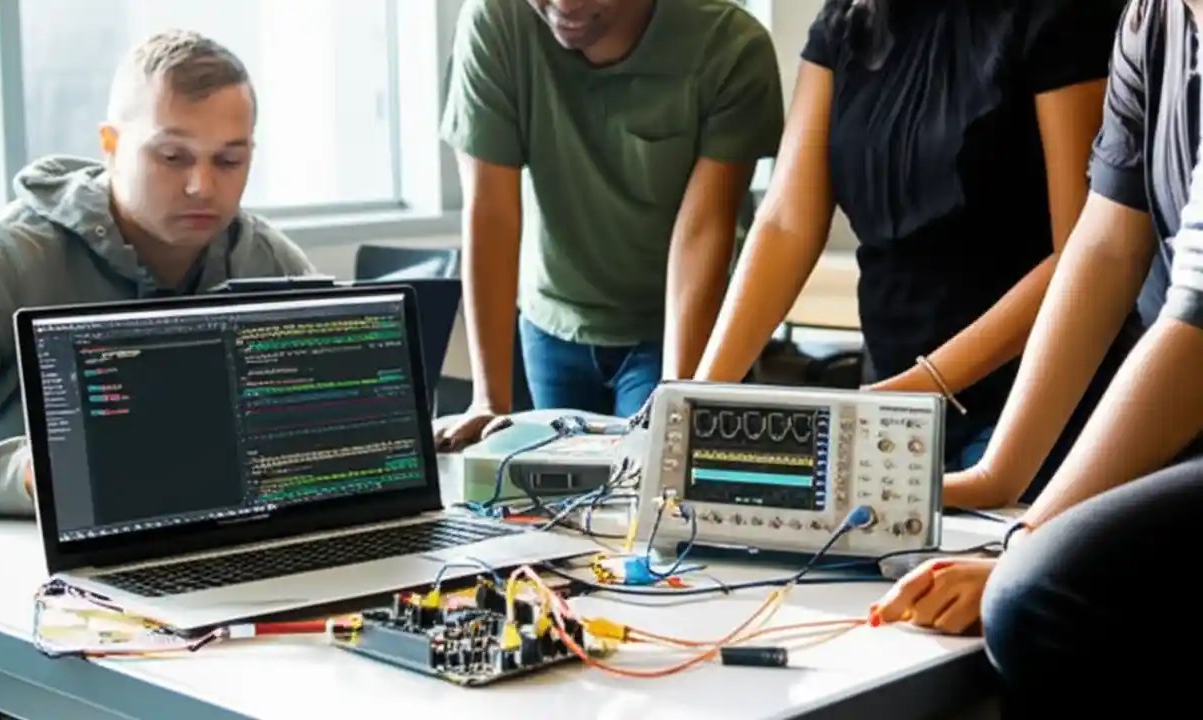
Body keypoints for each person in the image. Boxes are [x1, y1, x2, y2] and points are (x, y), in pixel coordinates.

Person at [0, 29, 314, 719]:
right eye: (171, 156)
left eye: (230, 159)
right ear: (110, 144)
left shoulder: (268, 261)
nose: (202, 185)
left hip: (228, 610)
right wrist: (28, 473)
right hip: (31, 627)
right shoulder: (2, 261)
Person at [872, 0, 1203, 703]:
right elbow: (1107, 244)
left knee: (1032, 595)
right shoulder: (1152, 18)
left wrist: (1023, 540)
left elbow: (1195, 338)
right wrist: (998, 476)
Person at [691, 0, 1134, 506]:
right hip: (897, 407)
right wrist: (699, 401)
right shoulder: (845, 20)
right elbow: (786, 221)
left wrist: (920, 387)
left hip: (1032, 409)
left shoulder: (1061, 15)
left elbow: (1087, 256)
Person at [434, 0, 784, 451]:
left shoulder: (730, 45)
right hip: (553, 322)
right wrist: (489, 399)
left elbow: (703, 232)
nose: (563, 3)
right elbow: (492, 212)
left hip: (666, 326)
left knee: (652, 479)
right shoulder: (496, 20)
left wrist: (677, 402)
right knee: (557, 503)